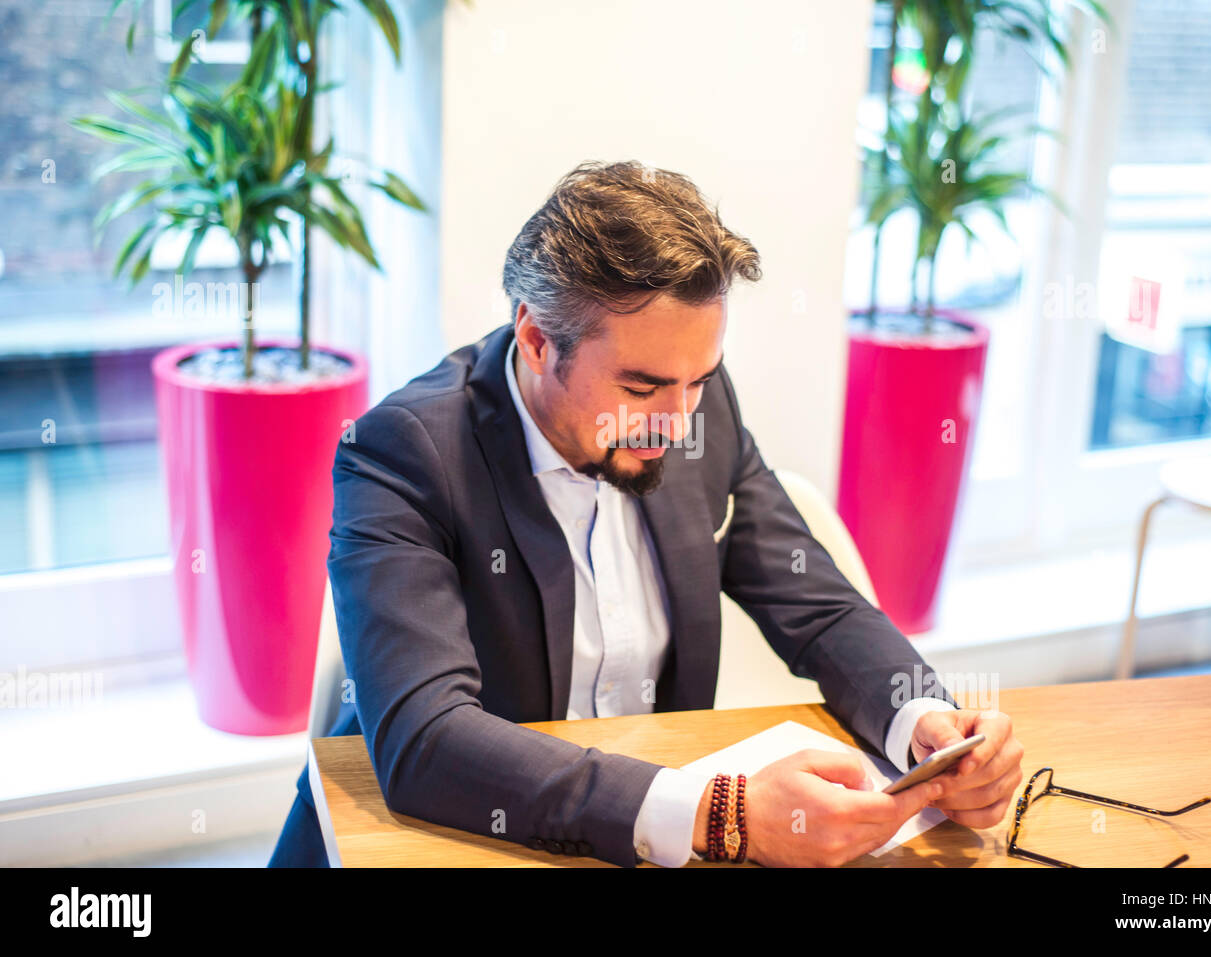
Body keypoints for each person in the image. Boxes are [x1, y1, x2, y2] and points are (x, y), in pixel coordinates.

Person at [269, 160, 1023, 868]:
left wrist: (925, 722)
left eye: (701, 378)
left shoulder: (698, 406)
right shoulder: (404, 453)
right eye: (642, 387)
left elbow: (818, 608)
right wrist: (725, 813)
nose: (677, 421)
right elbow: (425, 739)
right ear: (537, 339)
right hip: (440, 839)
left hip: (632, 835)